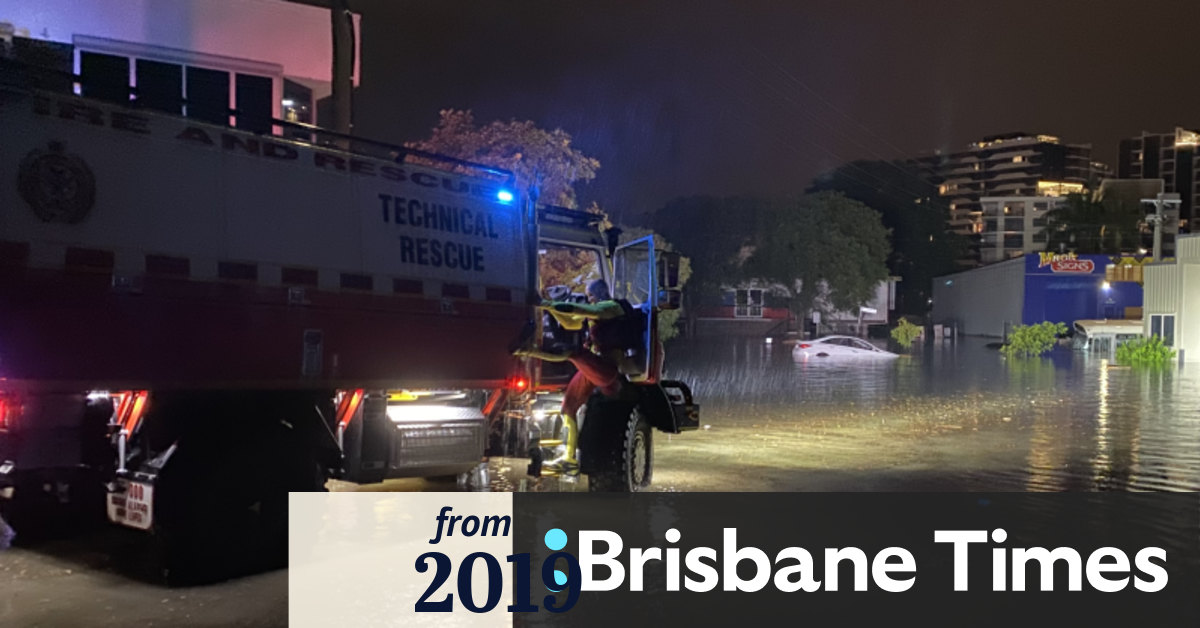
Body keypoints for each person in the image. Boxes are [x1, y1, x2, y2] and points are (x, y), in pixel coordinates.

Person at [515, 279, 642, 474]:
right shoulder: (595, 311)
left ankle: (529, 351)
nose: (588, 299)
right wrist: (550, 309)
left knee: (574, 353)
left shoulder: (612, 307)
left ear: (598, 293)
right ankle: (569, 459)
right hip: (592, 368)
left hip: (607, 369)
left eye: (589, 295)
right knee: (568, 408)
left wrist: (544, 303)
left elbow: (579, 309)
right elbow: (569, 322)